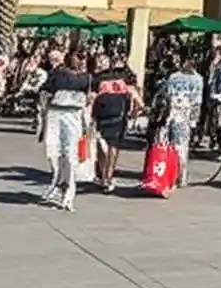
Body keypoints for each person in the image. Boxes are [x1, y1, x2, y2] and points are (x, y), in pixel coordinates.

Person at [39, 51, 91, 211]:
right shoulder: (57, 75)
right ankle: (57, 183)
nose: (79, 61)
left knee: (70, 154)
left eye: (81, 58)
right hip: (55, 114)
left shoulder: (86, 78)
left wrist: (86, 123)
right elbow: (44, 92)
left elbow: (89, 99)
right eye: (77, 58)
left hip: (73, 116)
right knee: (53, 151)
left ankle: (69, 191)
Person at [91, 53, 143, 193]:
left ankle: (104, 176)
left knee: (104, 145)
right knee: (112, 146)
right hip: (118, 114)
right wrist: (137, 109)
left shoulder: (97, 79)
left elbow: (91, 98)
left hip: (105, 115)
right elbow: (135, 93)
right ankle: (107, 177)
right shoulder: (125, 77)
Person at [157, 55, 204, 188]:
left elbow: (167, 96)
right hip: (184, 117)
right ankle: (181, 177)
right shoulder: (198, 80)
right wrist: (194, 122)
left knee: (168, 145)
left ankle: (168, 173)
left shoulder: (173, 77)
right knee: (182, 148)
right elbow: (197, 103)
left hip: (170, 115)